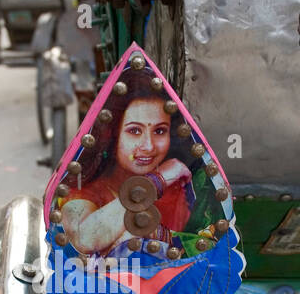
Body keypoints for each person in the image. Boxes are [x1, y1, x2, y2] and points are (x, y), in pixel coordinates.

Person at [60, 67, 197, 259]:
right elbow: (85, 239)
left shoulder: (180, 187)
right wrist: (155, 181)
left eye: (159, 131)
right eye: (134, 131)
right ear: (112, 134)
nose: (148, 146)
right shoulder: (85, 189)